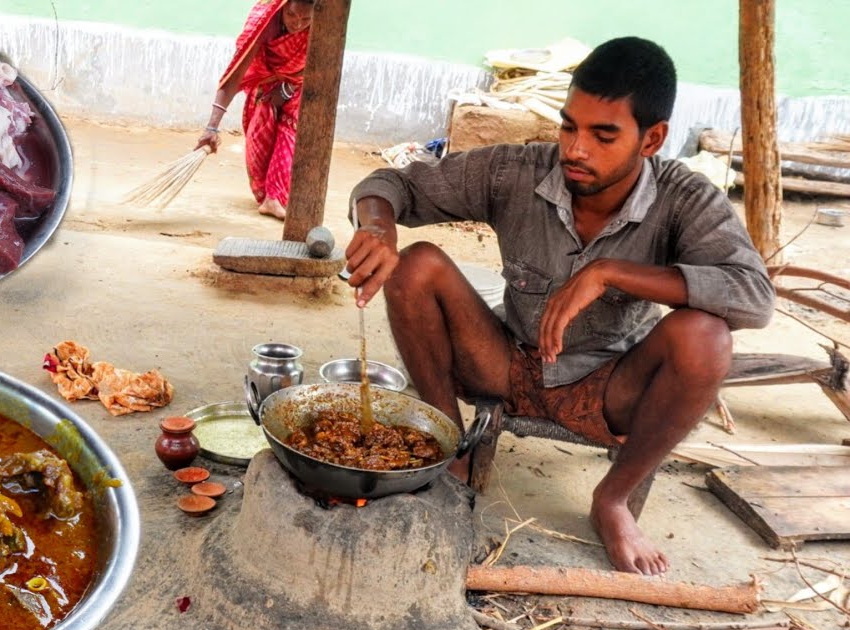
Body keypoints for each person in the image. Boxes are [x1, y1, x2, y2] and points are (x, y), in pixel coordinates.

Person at [342, 37, 775, 575]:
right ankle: (451, 449)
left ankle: (613, 500)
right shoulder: (518, 171)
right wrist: (378, 226)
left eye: (603, 135)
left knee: (706, 337)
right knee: (418, 264)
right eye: (570, 126)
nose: (576, 149)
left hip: (612, 389)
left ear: (653, 139)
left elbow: (754, 297)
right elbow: (392, 183)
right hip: (507, 362)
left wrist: (610, 272)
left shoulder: (685, 199)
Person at [195, 0, 315, 220]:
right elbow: (235, 73)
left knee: (291, 128)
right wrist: (212, 127)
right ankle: (268, 195)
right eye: (292, 16)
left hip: (300, 85)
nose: (298, 24)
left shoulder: (324, 25)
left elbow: (319, 66)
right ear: (282, 7)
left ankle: (274, 198)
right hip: (267, 83)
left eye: (306, 19)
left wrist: (289, 87)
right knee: (260, 144)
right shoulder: (265, 23)